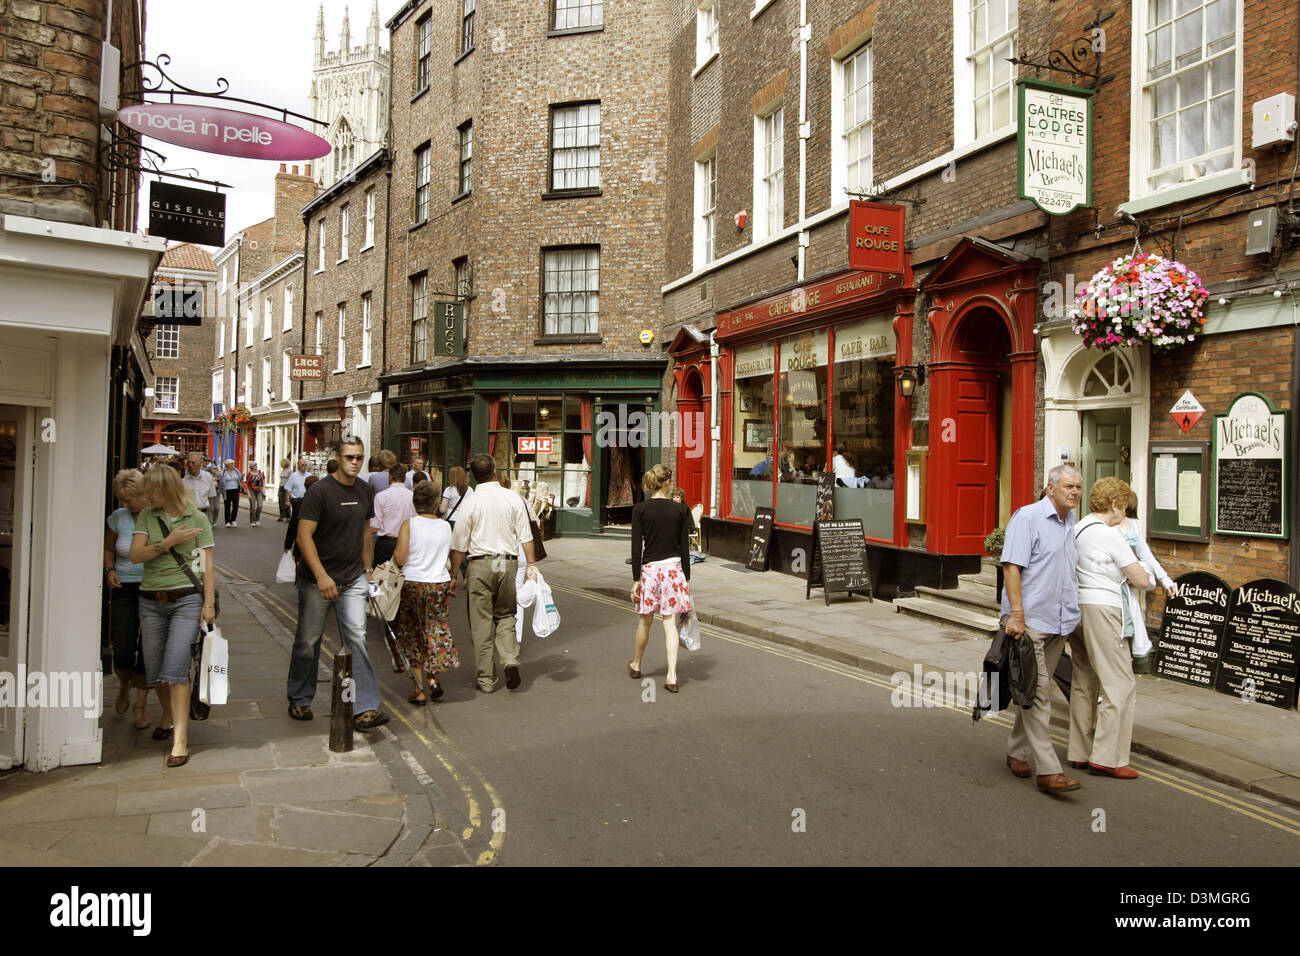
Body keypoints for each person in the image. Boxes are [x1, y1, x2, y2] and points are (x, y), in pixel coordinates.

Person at [287, 438, 389, 731]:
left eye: (359, 457)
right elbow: (303, 537)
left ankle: (364, 707)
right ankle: (300, 697)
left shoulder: (365, 489)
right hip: (317, 579)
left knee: (356, 639)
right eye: (348, 457)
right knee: (308, 640)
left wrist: (368, 571)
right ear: (338, 457)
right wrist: (321, 576)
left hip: (353, 577)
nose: (354, 462)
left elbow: (365, 533)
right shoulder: (320, 492)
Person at [999, 464, 1085, 795]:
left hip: (1059, 621)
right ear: (1051, 488)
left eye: (1078, 487)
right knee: (1038, 692)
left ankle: (1017, 751)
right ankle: (1049, 770)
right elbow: (1011, 568)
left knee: (1035, 689)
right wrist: (1016, 615)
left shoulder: (1070, 522)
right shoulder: (1028, 518)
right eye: (1068, 487)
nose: (1075, 492)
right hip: (1030, 621)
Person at [129, 466, 216, 768]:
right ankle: (167, 713)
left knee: (176, 669)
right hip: (150, 600)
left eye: (150, 489)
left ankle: (180, 739)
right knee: (156, 672)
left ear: (165, 489)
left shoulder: (198, 518)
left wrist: (208, 603)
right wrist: (169, 541)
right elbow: (135, 555)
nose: (145, 495)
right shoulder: (147, 516)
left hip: (186, 601)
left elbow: (206, 564)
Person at [1068, 477, 1151, 780]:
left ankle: (1078, 751)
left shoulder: (1077, 529)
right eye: (1124, 509)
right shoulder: (1109, 535)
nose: (1124, 515)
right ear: (1115, 505)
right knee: (1119, 682)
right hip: (1103, 608)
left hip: (1076, 608)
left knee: (1084, 678)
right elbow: (1142, 579)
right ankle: (1108, 757)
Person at [449, 453, 538, 693]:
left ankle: (487, 680)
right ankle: (509, 659)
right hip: (507, 563)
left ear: (473, 477)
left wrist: (454, 575)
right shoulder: (512, 498)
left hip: (479, 565)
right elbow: (526, 536)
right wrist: (531, 564)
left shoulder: (470, 502)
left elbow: (458, 544)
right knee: (506, 615)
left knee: (481, 624)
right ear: (495, 471)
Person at [629, 463, 695, 693]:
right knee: (670, 624)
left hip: (650, 571)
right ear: (668, 483)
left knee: (645, 621)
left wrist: (636, 579)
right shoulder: (680, 510)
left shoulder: (640, 510)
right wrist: (686, 577)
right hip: (673, 571)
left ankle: (636, 664)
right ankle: (672, 676)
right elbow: (685, 548)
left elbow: (636, 548)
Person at [393, 479, 459, 704]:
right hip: (438, 584)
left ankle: (419, 690)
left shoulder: (409, 524)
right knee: (435, 631)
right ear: (435, 503)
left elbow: (400, 559)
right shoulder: (445, 526)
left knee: (413, 634)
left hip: (413, 583)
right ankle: (433, 679)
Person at [105, 469, 151, 729]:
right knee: (123, 645)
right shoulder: (117, 518)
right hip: (124, 588)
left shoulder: (156, 517)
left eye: (129, 499)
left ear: (143, 494)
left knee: (147, 649)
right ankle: (124, 685)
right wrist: (110, 570)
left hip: (152, 589)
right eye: (121, 499)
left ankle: (141, 706)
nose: (125, 504)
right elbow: (109, 548)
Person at [1119, 493, 1178, 664]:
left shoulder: (1133, 526)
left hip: (1127, 586)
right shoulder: (1103, 526)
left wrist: (1166, 581)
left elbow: (1147, 557)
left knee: (1128, 628)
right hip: (1109, 588)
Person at [371, 463, 416, 566]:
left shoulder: (381, 496)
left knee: (381, 578)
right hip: (407, 542)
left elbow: (375, 525)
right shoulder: (413, 497)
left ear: (390, 476)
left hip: (385, 543)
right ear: (404, 477)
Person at [285, 474, 320, 556]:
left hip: (301, 548)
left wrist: (288, 545)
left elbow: (293, 526)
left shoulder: (298, 503)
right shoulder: (323, 505)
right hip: (318, 548)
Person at [284, 456, 311, 529]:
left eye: (305, 465)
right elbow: (288, 488)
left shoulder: (309, 475)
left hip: (306, 500)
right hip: (296, 500)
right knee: (297, 518)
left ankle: (299, 532)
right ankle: (293, 534)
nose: (304, 467)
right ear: (298, 466)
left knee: (303, 519)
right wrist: (287, 501)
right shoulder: (293, 476)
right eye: (302, 465)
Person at [218, 459, 242, 528]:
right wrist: (221, 491)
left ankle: (233, 520)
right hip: (227, 490)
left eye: (233, 463)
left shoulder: (236, 471)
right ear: (228, 465)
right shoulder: (223, 472)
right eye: (232, 464)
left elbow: (240, 478)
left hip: (235, 489)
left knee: (235, 505)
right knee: (227, 506)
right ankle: (227, 521)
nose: (233, 465)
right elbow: (221, 482)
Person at [245, 459, 266, 526]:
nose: (256, 466)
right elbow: (247, 484)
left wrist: (264, 489)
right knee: (253, 507)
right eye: (254, 465)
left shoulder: (260, 473)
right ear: (251, 466)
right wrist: (248, 493)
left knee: (260, 506)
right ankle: (252, 521)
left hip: (259, 490)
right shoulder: (249, 474)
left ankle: (257, 519)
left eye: (256, 465)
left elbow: (263, 481)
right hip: (252, 491)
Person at [204, 460, 222, 527]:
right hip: (210, 494)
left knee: (217, 508)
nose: (215, 470)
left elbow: (221, 484)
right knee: (210, 508)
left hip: (217, 493)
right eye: (214, 469)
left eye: (216, 468)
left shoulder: (218, 476)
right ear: (210, 469)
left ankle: (215, 521)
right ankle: (210, 521)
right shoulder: (207, 476)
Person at [278, 457, 292, 522]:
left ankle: (287, 516)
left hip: (286, 488)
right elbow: (281, 480)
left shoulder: (289, 471)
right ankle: (282, 516)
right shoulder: (282, 470)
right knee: (280, 502)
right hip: (281, 487)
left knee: (286, 502)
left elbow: (290, 480)